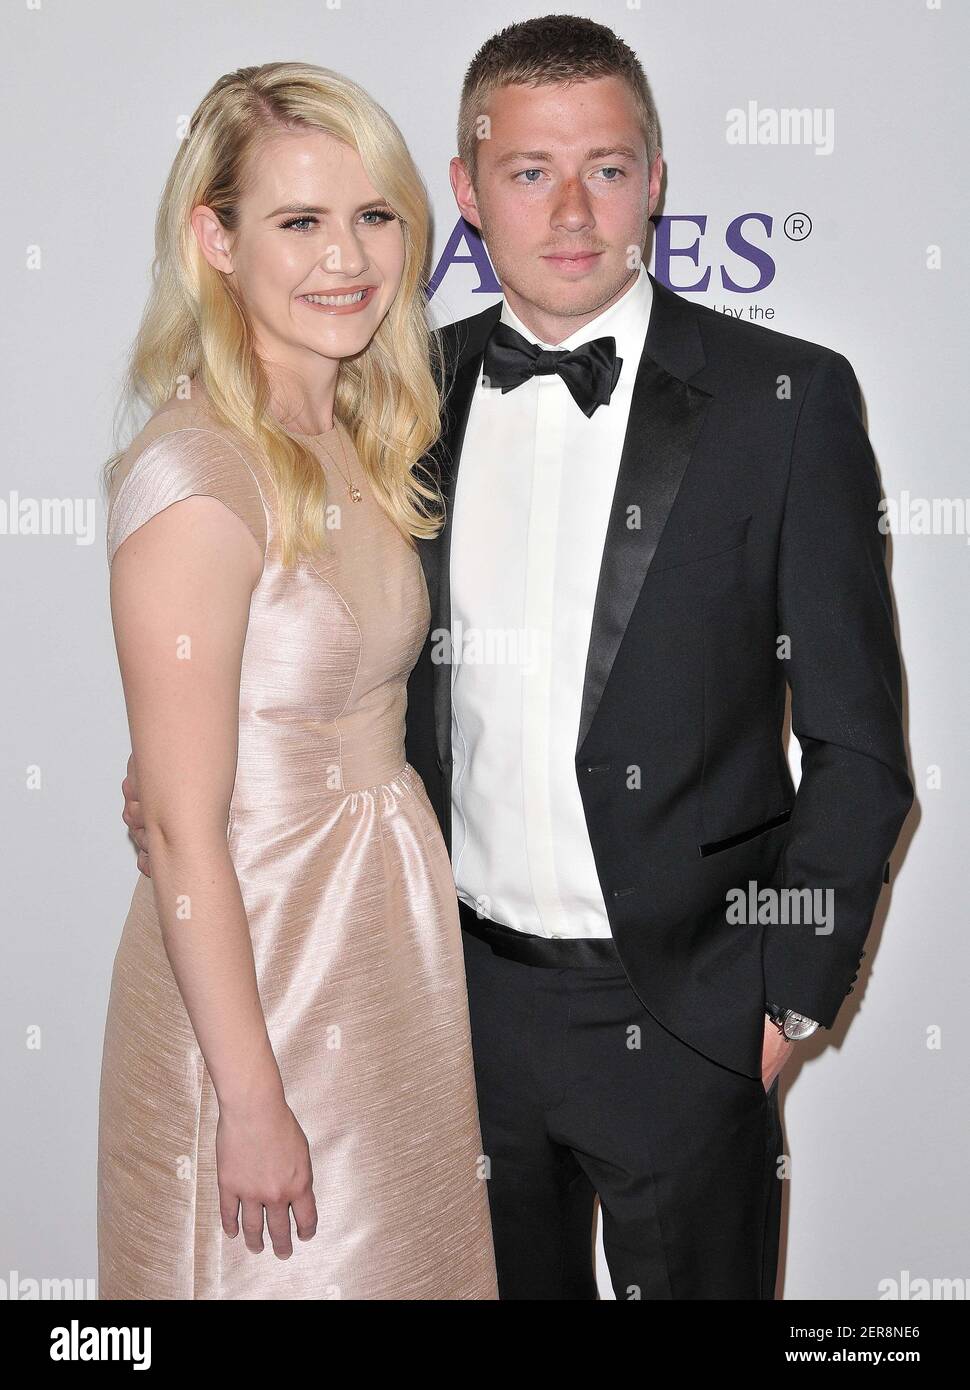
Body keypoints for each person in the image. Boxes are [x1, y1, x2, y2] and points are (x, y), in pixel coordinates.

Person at [124, 17, 914, 1300]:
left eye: (606, 168)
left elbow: (860, 752)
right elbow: (300, 658)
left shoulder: (788, 401)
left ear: (657, 182)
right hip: (449, 1014)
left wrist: (776, 1012)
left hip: (692, 1023)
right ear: (467, 195)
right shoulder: (397, 405)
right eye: (528, 171)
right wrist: (180, 782)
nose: (570, 211)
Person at [99, 61, 497, 1301]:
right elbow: (179, 820)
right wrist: (252, 1099)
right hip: (260, 967)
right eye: (299, 221)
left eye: (374, 215)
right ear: (213, 239)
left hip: (382, 944)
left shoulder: (366, 431)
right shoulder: (197, 472)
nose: (349, 257)